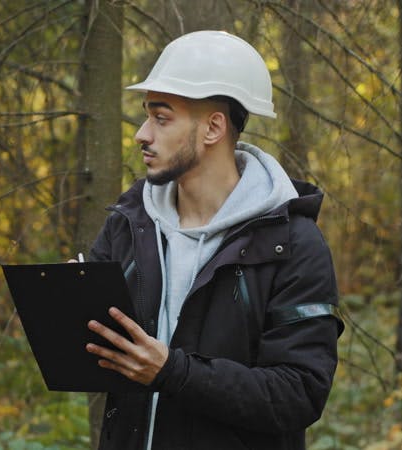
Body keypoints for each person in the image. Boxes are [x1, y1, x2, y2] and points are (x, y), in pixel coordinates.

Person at [83, 30, 344, 450]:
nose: (141, 134)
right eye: (146, 116)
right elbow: (95, 353)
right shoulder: (129, 224)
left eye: (161, 118)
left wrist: (173, 372)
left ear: (213, 128)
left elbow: (299, 393)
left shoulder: (294, 243)